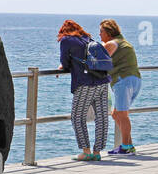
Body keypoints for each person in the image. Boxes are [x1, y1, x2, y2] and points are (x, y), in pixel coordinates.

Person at [57, 20, 109, 161]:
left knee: (77, 117)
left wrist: (62, 66)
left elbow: (65, 61)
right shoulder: (88, 38)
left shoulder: (66, 40)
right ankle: (97, 152)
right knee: (102, 117)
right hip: (103, 82)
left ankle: (86, 151)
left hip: (86, 84)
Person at [100, 19, 141, 155]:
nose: (100, 35)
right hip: (133, 79)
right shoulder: (124, 42)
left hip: (123, 81)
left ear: (108, 33)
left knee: (122, 114)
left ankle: (126, 147)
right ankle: (128, 145)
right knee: (116, 114)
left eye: (101, 32)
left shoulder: (112, 43)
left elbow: (100, 61)